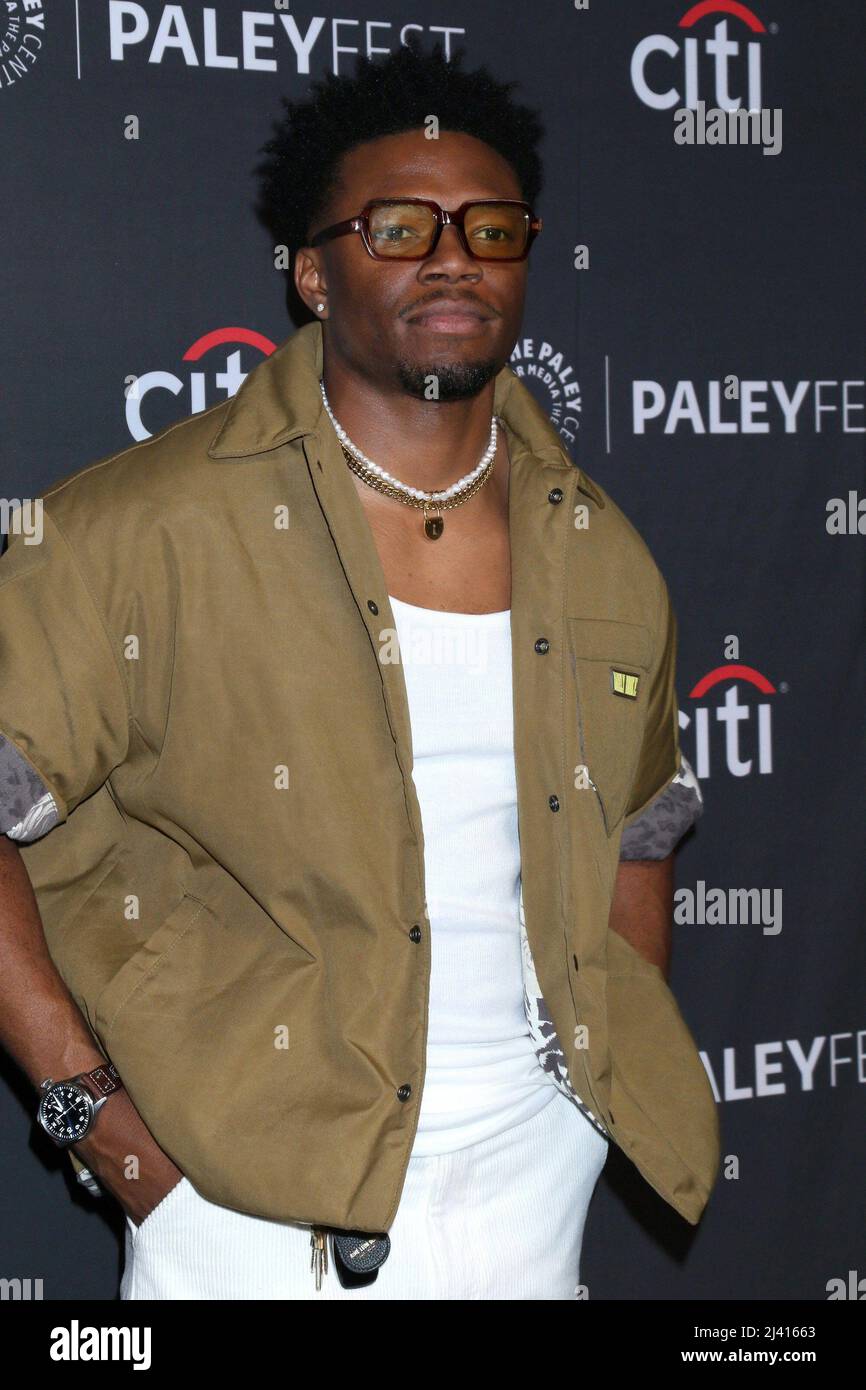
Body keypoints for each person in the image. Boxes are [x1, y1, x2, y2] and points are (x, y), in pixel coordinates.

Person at [0, 43, 719, 1300]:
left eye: (491, 226)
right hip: (239, 1215)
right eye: (399, 225)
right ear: (312, 273)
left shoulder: (602, 552)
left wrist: (586, 1110)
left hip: (532, 1197)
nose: (453, 253)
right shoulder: (142, 527)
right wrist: (102, 1129)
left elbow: (638, 838)